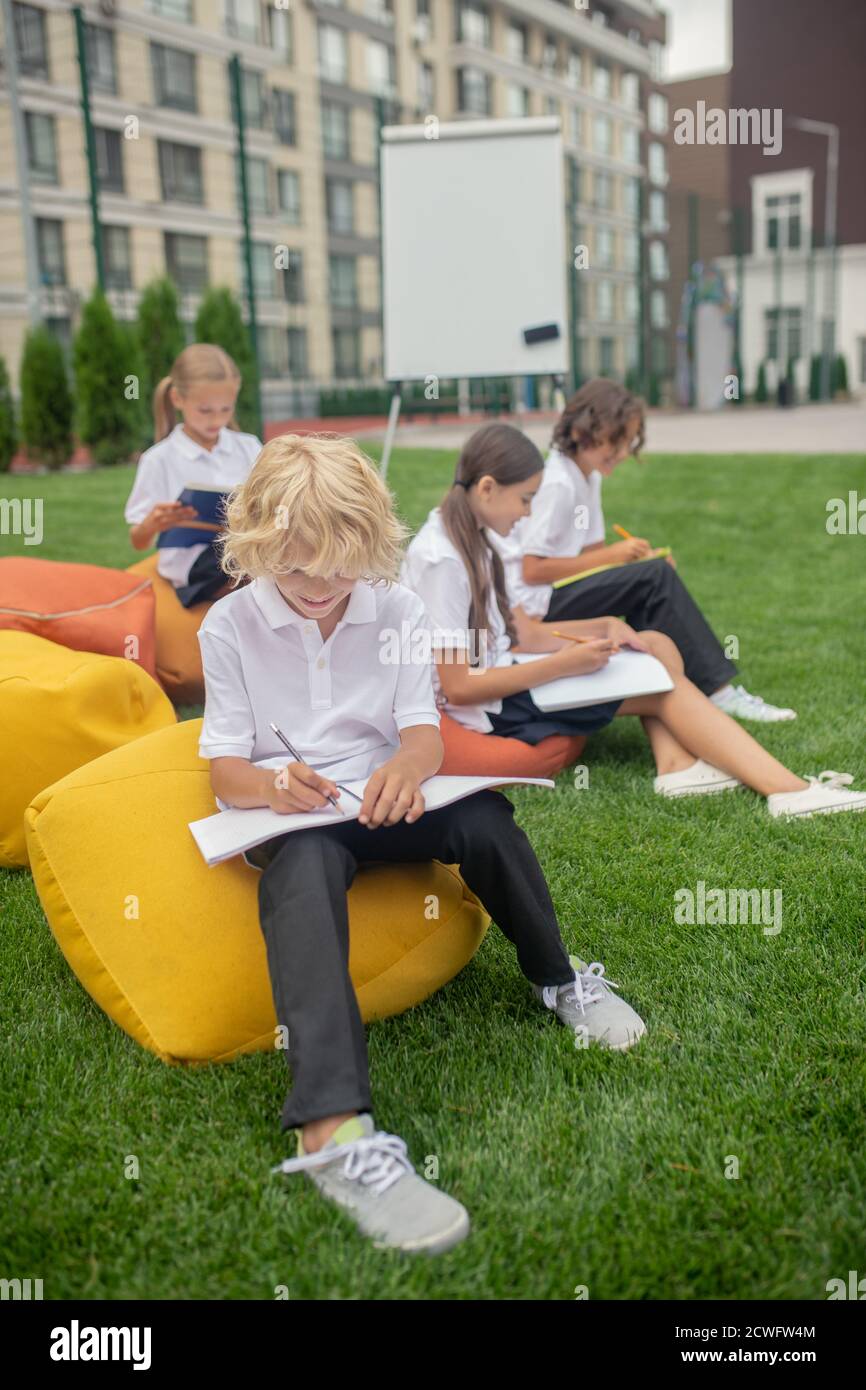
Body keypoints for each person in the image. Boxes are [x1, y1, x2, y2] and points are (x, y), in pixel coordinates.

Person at [195, 432, 646, 1258]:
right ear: (257, 548)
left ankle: (560, 981)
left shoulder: (395, 606)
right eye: (297, 570)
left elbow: (422, 735)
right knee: (301, 875)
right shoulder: (228, 626)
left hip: (389, 796)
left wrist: (407, 767)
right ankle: (332, 1132)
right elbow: (226, 769)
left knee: (486, 823)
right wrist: (273, 784)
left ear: (370, 546)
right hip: (295, 817)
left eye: (341, 568)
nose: (322, 590)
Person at [401, 421, 866, 816]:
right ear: (487, 488)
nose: (527, 514)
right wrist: (566, 664)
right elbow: (459, 686)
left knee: (654, 644)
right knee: (659, 686)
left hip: (513, 679)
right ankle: (790, 792)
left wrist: (601, 628)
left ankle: (677, 767)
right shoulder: (442, 559)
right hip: (493, 708)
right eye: (525, 500)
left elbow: (520, 631)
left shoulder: (478, 535)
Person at [489, 378, 797, 723]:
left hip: (554, 596)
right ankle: (717, 692)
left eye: (629, 443)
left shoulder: (587, 477)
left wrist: (635, 564)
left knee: (652, 579)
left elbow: (593, 554)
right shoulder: (558, 481)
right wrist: (619, 559)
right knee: (654, 580)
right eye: (617, 442)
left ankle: (682, 689)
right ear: (582, 432)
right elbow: (532, 569)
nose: (623, 453)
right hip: (534, 608)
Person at [125, 344, 261, 607]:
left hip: (247, 545)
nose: (216, 420)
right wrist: (153, 523)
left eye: (226, 409)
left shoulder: (249, 446)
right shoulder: (159, 459)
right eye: (205, 410)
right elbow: (138, 541)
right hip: (196, 564)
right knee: (245, 560)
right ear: (177, 399)